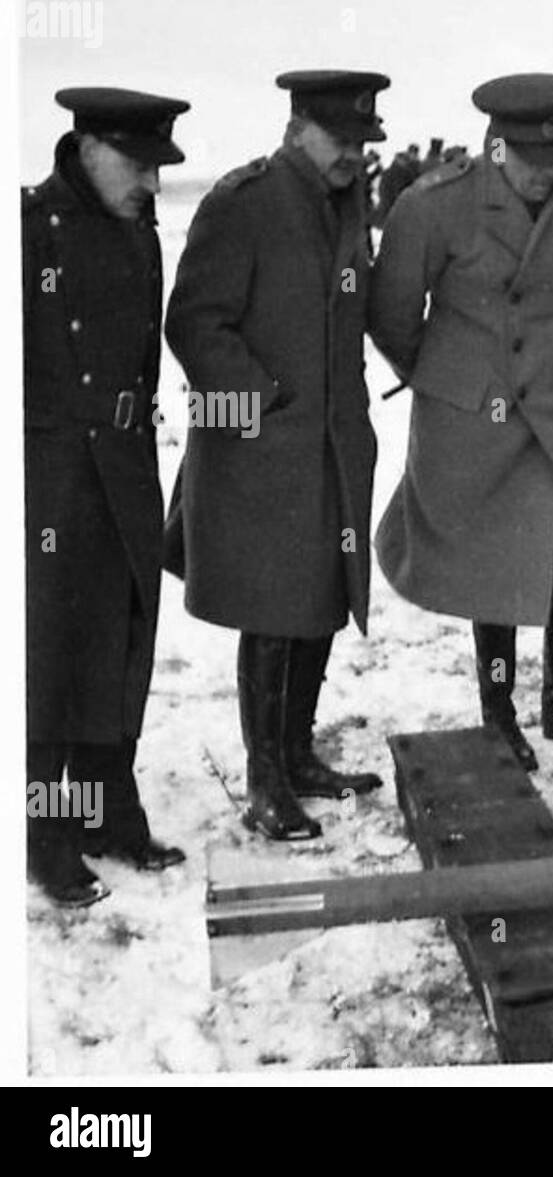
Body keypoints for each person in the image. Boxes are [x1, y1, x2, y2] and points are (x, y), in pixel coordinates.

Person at [368, 73, 553, 771]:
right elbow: (392, 315)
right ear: (496, 146)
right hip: (479, 410)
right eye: (533, 162)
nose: (547, 177)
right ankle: (499, 711)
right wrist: (452, 377)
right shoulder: (434, 205)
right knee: (499, 564)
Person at [165, 70, 387, 841]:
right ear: (299, 128)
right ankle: (265, 785)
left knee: (321, 597)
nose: (355, 156)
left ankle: (298, 756)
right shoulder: (244, 203)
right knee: (271, 611)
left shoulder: (347, 202)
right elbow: (194, 323)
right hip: (262, 454)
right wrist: (254, 400)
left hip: (333, 448)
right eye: (343, 141)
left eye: (365, 143)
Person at [24, 87, 191, 906]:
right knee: (51, 660)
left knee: (122, 642)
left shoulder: (137, 228)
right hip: (52, 475)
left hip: (125, 462)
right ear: (87, 147)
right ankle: (47, 835)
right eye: (139, 164)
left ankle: (107, 813)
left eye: (159, 168)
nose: (153, 185)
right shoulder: (29, 230)